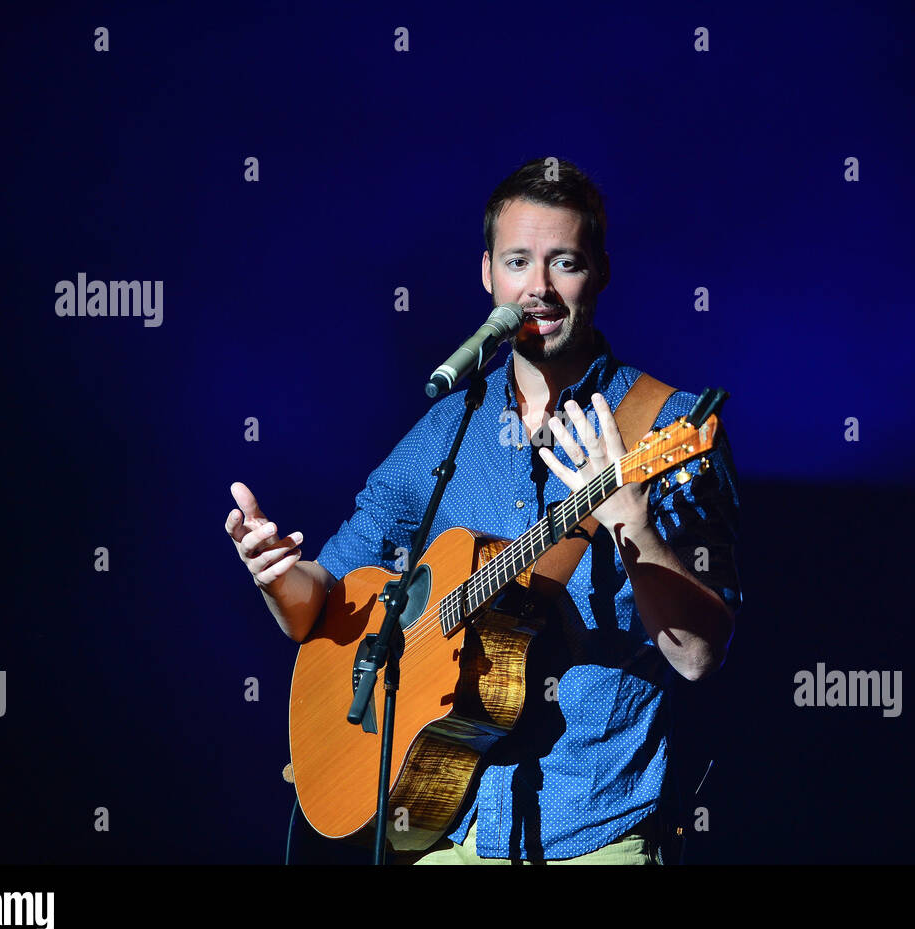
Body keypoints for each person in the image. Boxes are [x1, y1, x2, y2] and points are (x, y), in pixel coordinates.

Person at [225, 157, 741, 864]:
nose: (539, 287)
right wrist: (276, 576)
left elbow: (701, 654)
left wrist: (633, 525)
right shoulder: (446, 432)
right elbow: (325, 606)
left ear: (601, 273)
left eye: (565, 262)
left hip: (594, 831)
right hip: (446, 827)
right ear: (488, 275)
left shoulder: (662, 423)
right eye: (519, 261)